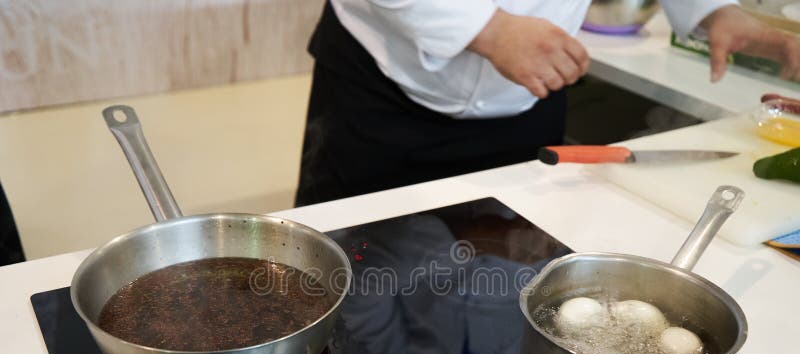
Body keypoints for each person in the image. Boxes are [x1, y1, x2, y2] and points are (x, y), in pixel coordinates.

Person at [295, 1, 800, 207]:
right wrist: (486, 28)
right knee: (340, 267)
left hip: (530, 88)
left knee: (500, 272)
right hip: (380, 81)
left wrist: (710, 10)